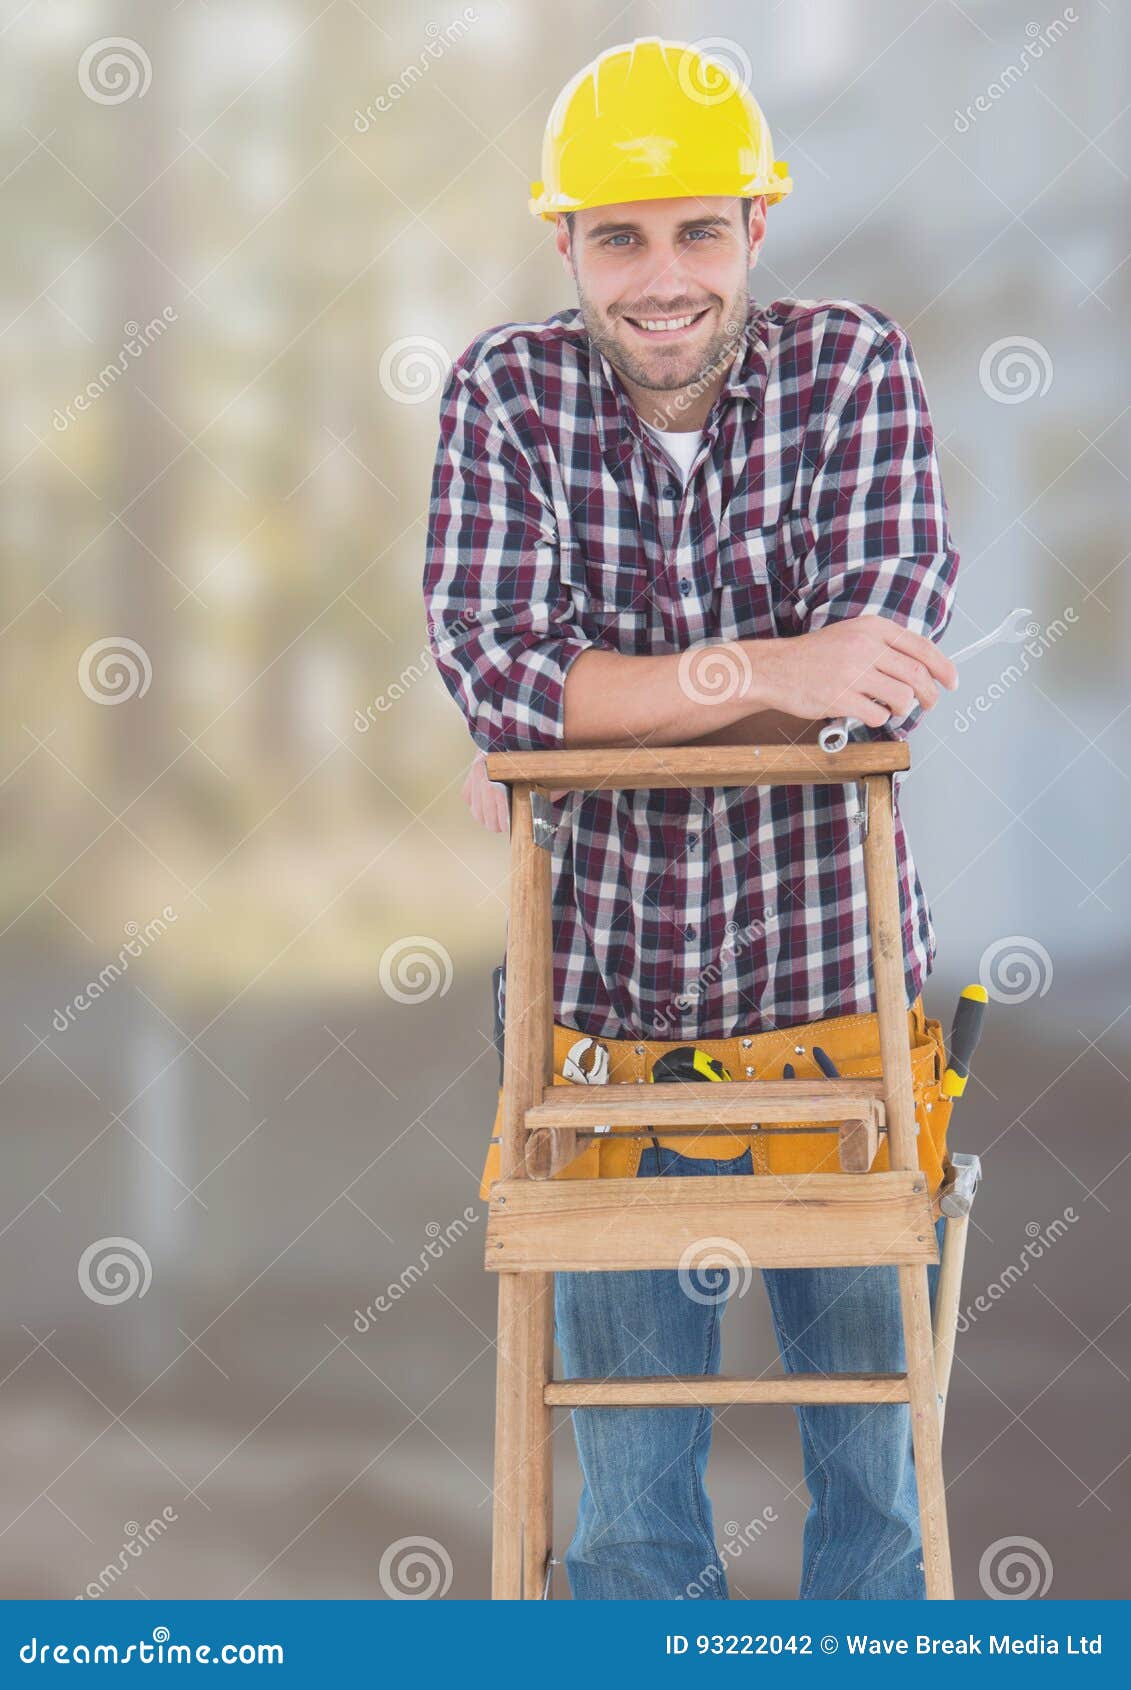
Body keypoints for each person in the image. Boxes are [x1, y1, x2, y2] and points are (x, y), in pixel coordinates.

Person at [424, 37, 960, 1601]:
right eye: (619, 237)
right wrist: (776, 667)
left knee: (879, 1496)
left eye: (697, 230)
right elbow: (497, 676)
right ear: (567, 244)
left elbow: (887, 679)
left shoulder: (852, 367)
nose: (662, 279)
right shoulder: (504, 396)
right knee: (632, 1524)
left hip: (838, 1031)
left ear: (757, 228)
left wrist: (590, 714)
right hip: (597, 1038)